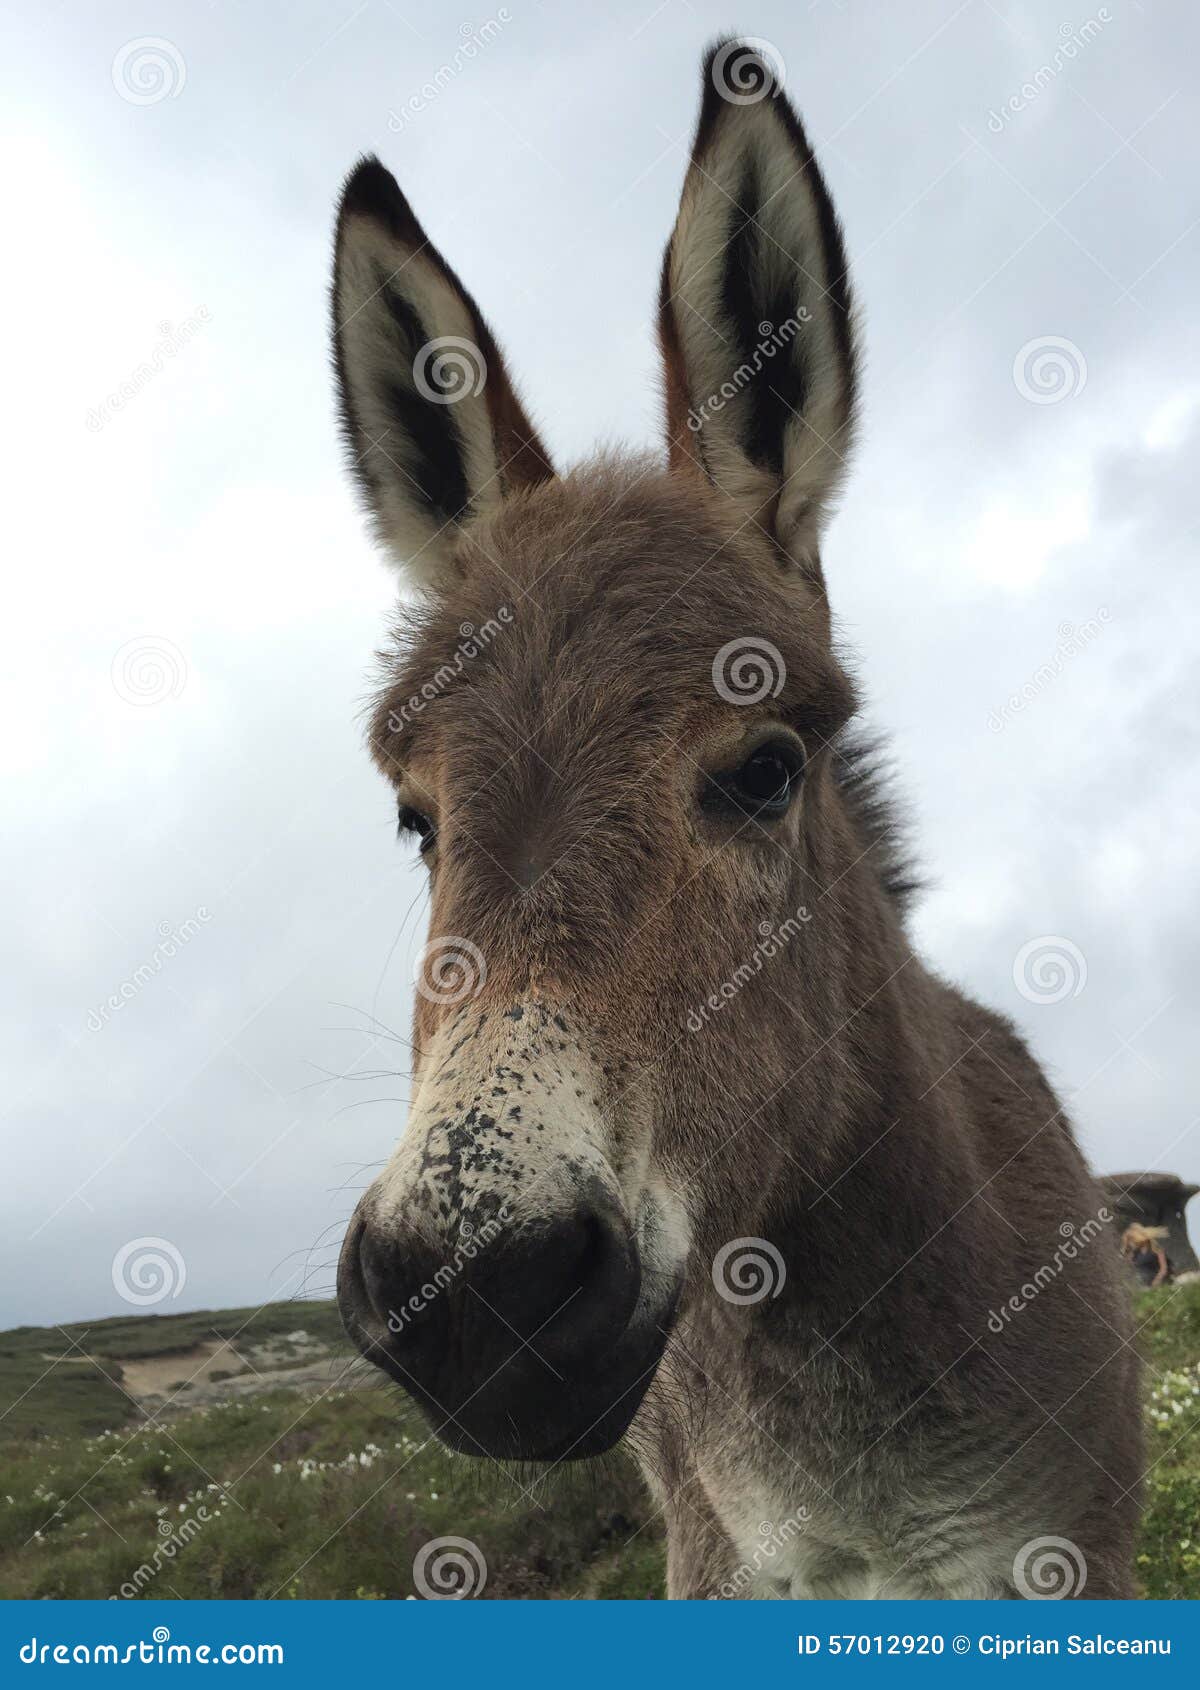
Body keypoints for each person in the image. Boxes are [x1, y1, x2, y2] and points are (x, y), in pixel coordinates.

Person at [1121, 1223, 1172, 1288]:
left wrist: (1155, 1282)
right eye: (1131, 1241)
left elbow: (1163, 1268)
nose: (1133, 1243)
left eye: (1133, 1240)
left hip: (1162, 1283)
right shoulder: (1136, 1252)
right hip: (1146, 1284)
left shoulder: (1156, 1248)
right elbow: (1128, 1264)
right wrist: (1126, 1245)